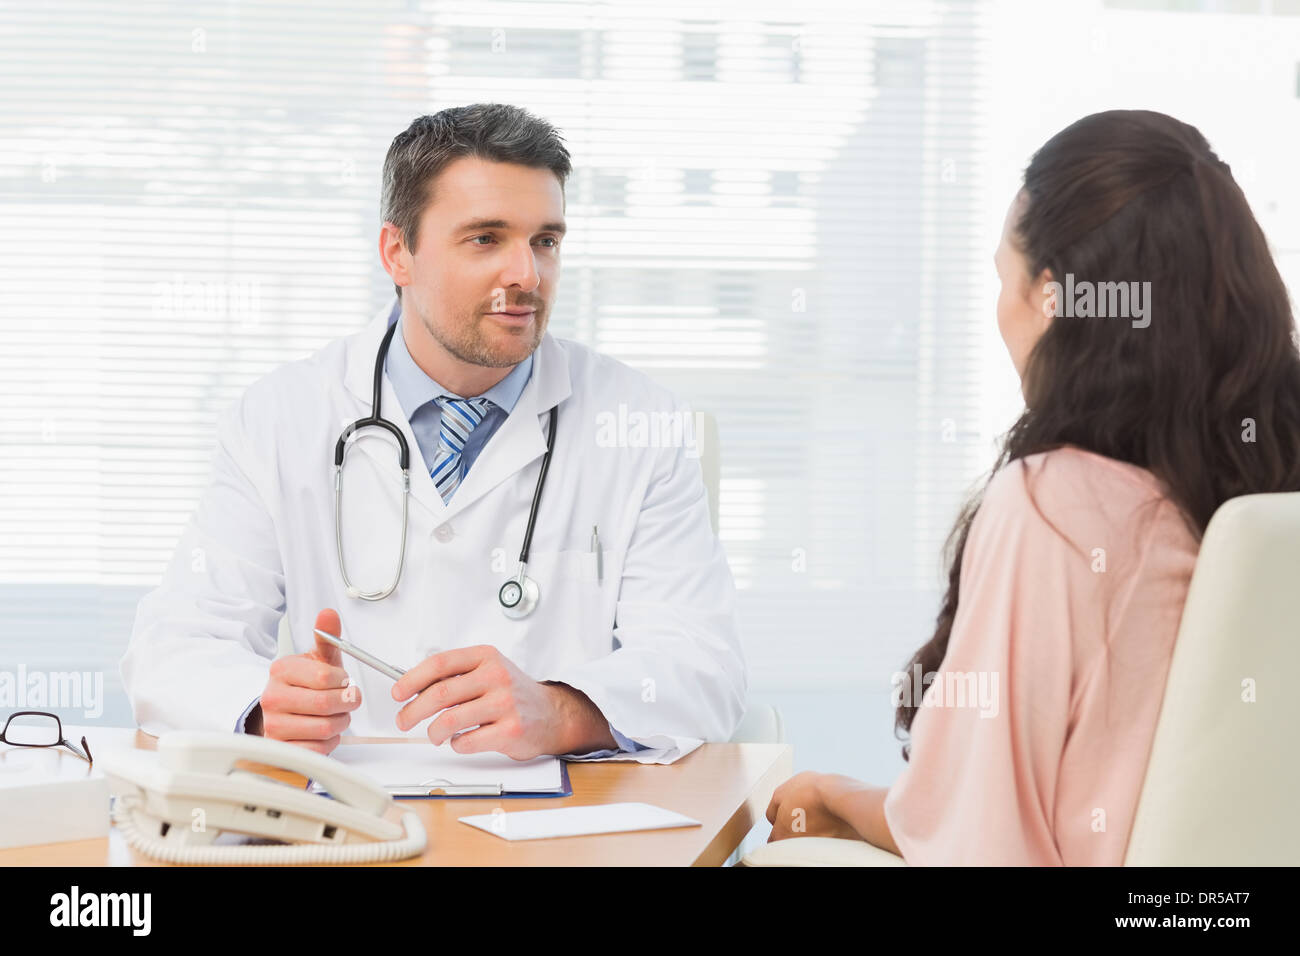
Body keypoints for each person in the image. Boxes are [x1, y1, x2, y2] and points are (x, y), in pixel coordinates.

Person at [121, 104, 746, 764]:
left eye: (545, 241)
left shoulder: (638, 425)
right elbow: (175, 646)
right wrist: (261, 710)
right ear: (398, 253)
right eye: (486, 239)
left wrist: (561, 710)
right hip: (350, 817)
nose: (527, 276)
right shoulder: (281, 417)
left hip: (561, 823)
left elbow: (704, 666)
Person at [765, 109, 1300, 864]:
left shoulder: (1056, 507)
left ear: (1052, 298)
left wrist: (829, 797)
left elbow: (978, 843)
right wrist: (842, 799)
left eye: (1002, 279)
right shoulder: (1262, 495)